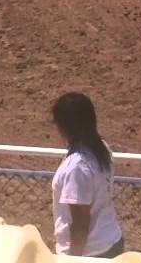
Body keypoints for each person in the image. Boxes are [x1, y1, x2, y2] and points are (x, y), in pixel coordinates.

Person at [51, 93, 123, 258]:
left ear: (64, 125)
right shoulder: (101, 149)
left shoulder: (76, 167)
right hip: (110, 241)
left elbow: (80, 224)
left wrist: (74, 259)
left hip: (90, 253)